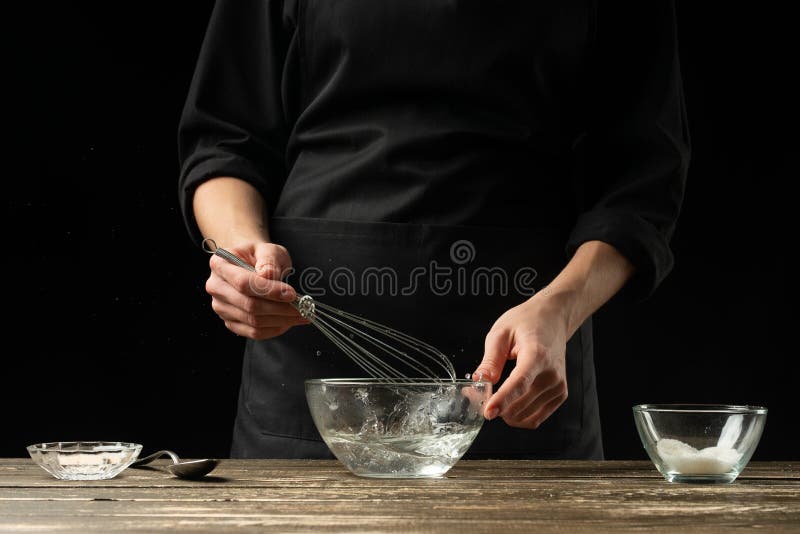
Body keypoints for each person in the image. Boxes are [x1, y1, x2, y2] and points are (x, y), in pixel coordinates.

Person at [178, 0, 689, 459]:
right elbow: (226, 139)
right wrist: (240, 253)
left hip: (520, 364)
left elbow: (642, 180)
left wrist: (560, 308)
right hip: (310, 365)